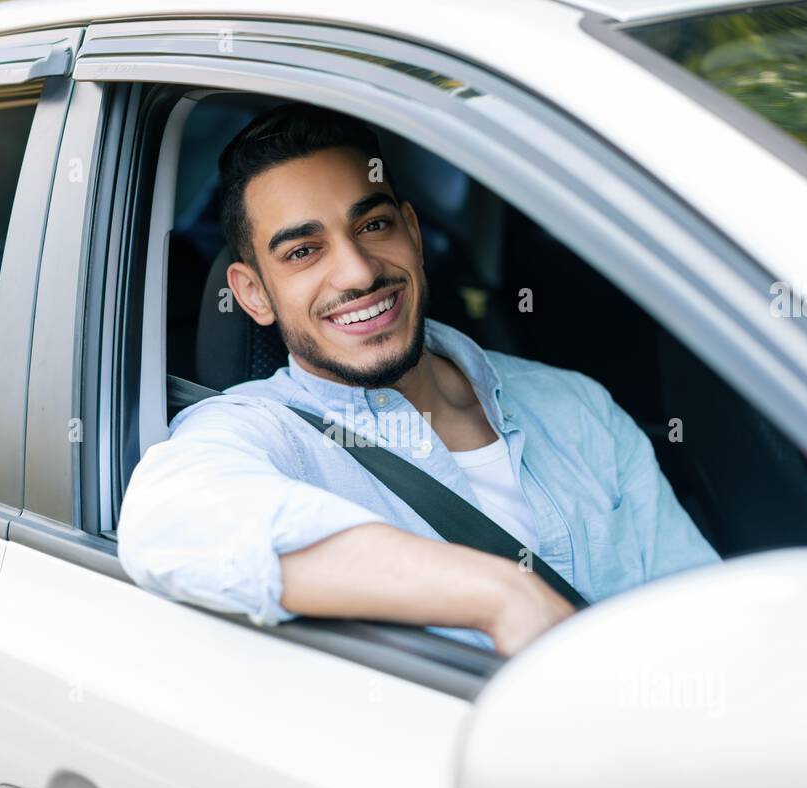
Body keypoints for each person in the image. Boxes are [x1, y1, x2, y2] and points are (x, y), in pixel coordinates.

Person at [118, 104, 719, 656]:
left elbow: (703, 613)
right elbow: (169, 524)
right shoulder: (260, 431)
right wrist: (498, 594)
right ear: (253, 294)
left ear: (411, 230)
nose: (357, 273)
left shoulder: (574, 404)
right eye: (303, 251)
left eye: (373, 225)